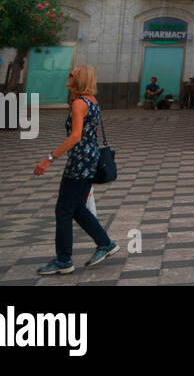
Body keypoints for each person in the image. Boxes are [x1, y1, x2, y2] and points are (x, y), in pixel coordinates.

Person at [33, 65, 119, 274]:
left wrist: (49, 158)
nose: (67, 76)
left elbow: (75, 136)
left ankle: (64, 261)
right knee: (77, 208)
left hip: (80, 161)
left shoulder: (79, 103)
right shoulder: (92, 101)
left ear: (78, 79)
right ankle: (105, 244)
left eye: (71, 74)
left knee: (63, 210)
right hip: (89, 159)